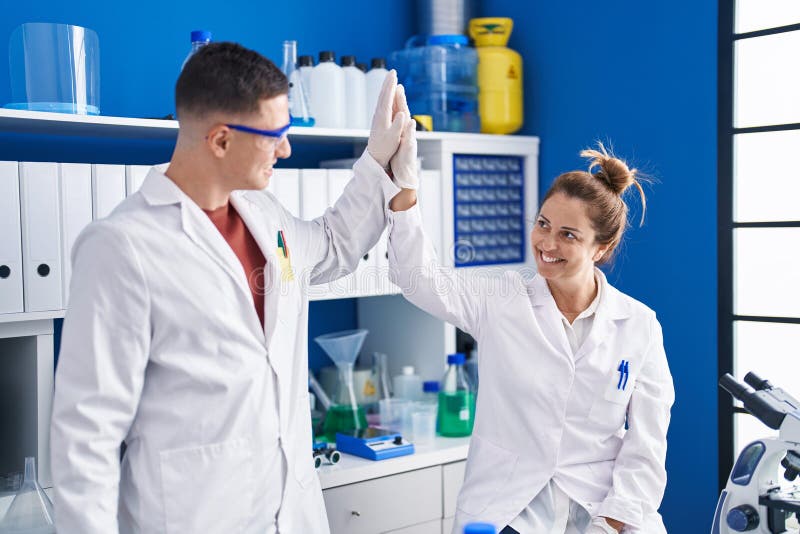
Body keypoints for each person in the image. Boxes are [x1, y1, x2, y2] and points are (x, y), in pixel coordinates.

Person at [50, 42, 411, 533]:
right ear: (220, 139)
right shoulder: (122, 247)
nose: (286, 148)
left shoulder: (264, 216)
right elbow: (86, 437)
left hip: (292, 514)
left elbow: (332, 244)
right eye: (274, 135)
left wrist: (376, 161)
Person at [387, 132, 674, 533]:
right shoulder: (501, 300)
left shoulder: (639, 325)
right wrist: (405, 190)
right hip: (508, 507)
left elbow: (647, 444)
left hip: (602, 506)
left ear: (601, 248)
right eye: (543, 224)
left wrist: (611, 522)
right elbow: (417, 280)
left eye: (568, 235)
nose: (547, 243)